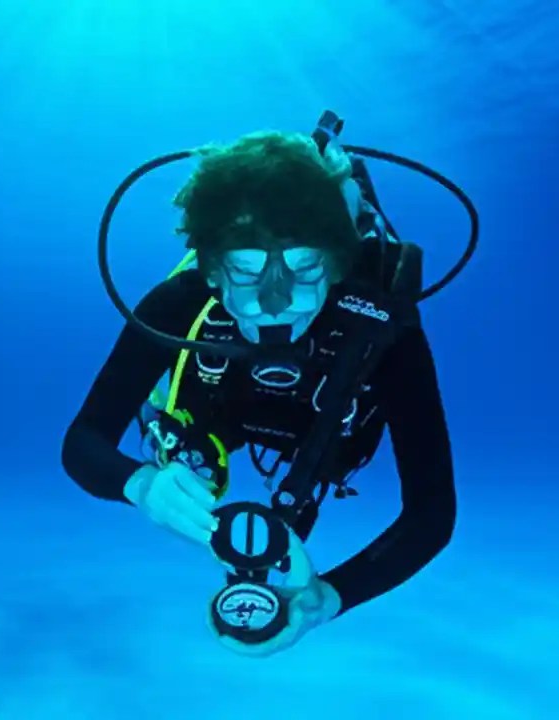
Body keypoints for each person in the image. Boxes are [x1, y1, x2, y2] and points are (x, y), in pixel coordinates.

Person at [62, 130, 456, 656]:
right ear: (210, 271)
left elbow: (431, 513)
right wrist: (140, 485)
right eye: (246, 271)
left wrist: (328, 597)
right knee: (178, 439)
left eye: (306, 267)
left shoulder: (381, 325)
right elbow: (84, 440)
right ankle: (188, 455)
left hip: (329, 435)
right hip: (217, 410)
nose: (276, 301)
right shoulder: (178, 304)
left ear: (338, 263)